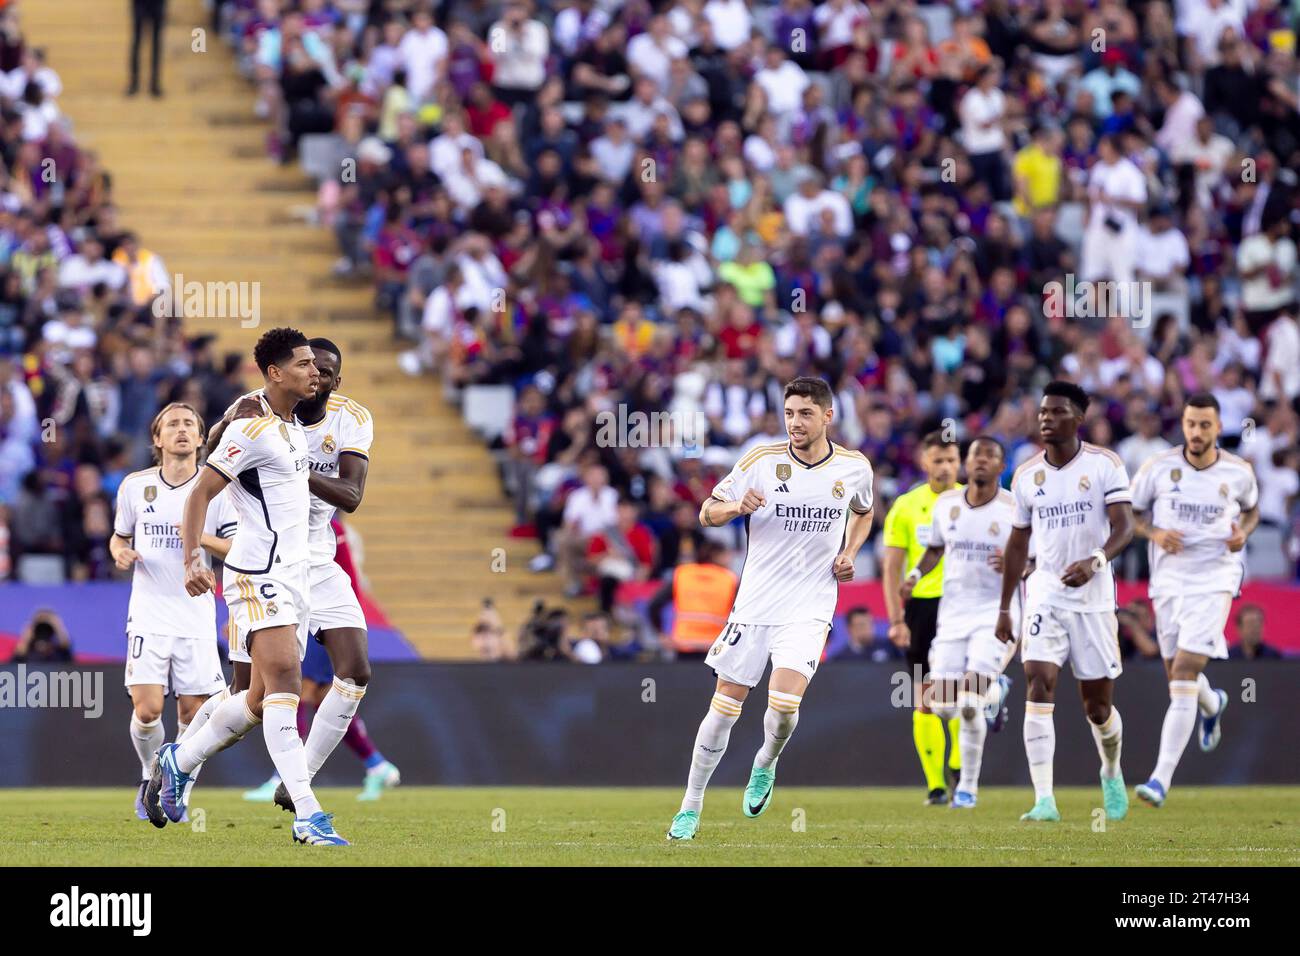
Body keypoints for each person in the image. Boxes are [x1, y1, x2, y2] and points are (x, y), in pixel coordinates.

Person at [146, 327, 348, 847]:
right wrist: (193, 558)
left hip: (296, 578)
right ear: (276, 373)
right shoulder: (252, 428)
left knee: (256, 702)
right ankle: (308, 814)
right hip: (258, 576)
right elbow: (199, 493)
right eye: (304, 364)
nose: (315, 372)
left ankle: (179, 760)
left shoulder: (291, 427)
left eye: (315, 364)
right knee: (286, 686)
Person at [666, 377, 874, 841]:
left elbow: (863, 512)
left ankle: (765, 761)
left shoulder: (854, 467)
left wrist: (850, 552)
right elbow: (706, 512)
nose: (795, 423)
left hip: (809, 606)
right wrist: (736, 506)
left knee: (783, 705)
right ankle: (690, 807)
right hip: (755, 606)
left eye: (805, 414)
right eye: (789, 413)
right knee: (724, 709)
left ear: (827, 416)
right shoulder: (761, 461)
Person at [205, 338, 380, 816]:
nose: (314, 375)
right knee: (250, 695)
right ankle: (181, 761)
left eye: (323, 371)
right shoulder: (259, 410)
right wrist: (223, 424)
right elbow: (211, 466)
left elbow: (351, 496)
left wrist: (295, 469)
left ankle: (297, 779)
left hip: (318, 559)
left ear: (336, 381)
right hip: (267, 562)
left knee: (356, 670)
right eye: (306, 366)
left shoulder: (351, 418)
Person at [997, 381, 1135, 823]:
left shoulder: (1104, 465)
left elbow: (1125, 527)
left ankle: (1110, 770)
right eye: (1042, 412)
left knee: (1097, 708)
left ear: (1078, 418)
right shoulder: (1025, 475)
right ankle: (1044, 800)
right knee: (1038, 682)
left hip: (1094, 599)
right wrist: (1005, 607)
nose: (1046, 419)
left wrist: (1096, 561)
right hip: (1045, 593)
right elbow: (1018, 545)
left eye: (1056, 412)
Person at [1130, 393, 1259, 808]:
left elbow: (1252, 510)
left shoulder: (1238, 472)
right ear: (1183, 425)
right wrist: (1154, 533)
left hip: (1215, 578)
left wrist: (1243, 533)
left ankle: (1159, 780)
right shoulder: (1158, 468)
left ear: (1218, 427)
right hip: (1169, 581)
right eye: (1191, 424)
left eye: (1205, 425)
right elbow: (1132, 513)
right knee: (1176, 679)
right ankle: (1212, 701)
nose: (1197, 432)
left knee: (1185, 671)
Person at [110, 402, 237, 822]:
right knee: (147, 710)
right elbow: (118, 536)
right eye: (172, 425)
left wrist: (198, 536)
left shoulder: (218, 489)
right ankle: (150, 778)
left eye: (189, 424)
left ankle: (177, 788)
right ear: (157, 438)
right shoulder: (135, 486)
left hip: (195, 615)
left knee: (193, 714)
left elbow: (237, 547)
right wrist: (120, 552)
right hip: (148, 612)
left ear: (201, 438)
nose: (181, 430)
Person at [901, 436, 1019, 808]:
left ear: (1001, 467)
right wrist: (915, 575)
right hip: (952, 615)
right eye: (975, 455)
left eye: (990, 456)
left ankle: (967, 788)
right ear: (967, 464)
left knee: (968, 703)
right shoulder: (948, 505)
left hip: (993, 612)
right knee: (938, 705)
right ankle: (995, 692)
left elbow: (1037, 557)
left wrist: (1018, 565)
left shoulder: (1014, 508)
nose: (981, 460)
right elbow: (935, 548)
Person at [882, 431, 963, 805]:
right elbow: (892, 569)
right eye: (938, 459)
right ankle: (936, 785)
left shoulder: (972, 501)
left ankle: (961, 769)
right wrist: (896, 620)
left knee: (965, 691)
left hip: (963, 604)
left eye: (951, 460)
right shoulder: (906, 506)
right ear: (924, 461)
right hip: (921, 608)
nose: (945, 467)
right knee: (925, 697)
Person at [646, 539, 738, 658]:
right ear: (716, 556)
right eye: (726, 555)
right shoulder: (729, 579)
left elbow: (655, 605)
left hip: (683, 645)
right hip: (716, 647)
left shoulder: (683, 574)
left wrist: (661, 633)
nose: (729, 559)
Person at [128, 0, 167, 98]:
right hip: (140, 3)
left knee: (156, 43)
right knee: (137, 41)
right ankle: (134, 82)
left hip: (157, 4)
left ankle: (154, 82)